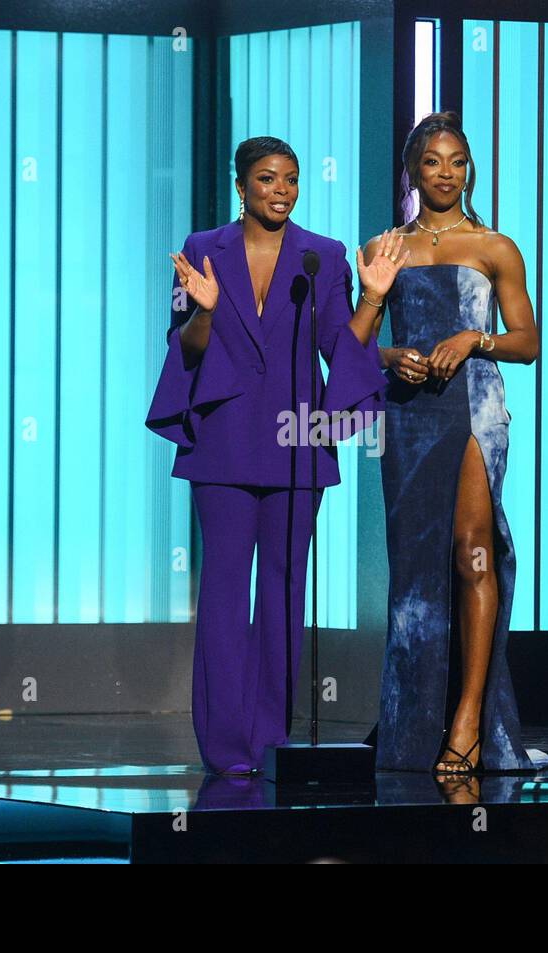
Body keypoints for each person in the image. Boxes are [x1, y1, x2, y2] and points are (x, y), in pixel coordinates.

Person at [144, 136, 406, 776]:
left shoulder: (324, 255)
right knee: (226, 596)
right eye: (267, 179)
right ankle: (225, 748)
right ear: (242, 186)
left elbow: (340, 351)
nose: (281, 190)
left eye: (290, 179)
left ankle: (268, 741)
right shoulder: (205, 249)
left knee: (285, 595)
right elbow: (189, 346)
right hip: (226, 440)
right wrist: (201, 313)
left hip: (296, 444)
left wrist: (372, 299)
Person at [361, 112, 548, 775]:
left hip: (475, 406)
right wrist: (390, 356)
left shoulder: (495, 246)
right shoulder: (385, 247)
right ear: (412, 171)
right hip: (410, 413)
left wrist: (477, 338)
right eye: (433, 162)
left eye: (459, 161)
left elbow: (529, 341)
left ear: (470, 169)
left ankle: (470, 719)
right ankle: (411, 726)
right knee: (415, 575)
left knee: (474, 551)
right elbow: (354, 343)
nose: (447, 173)